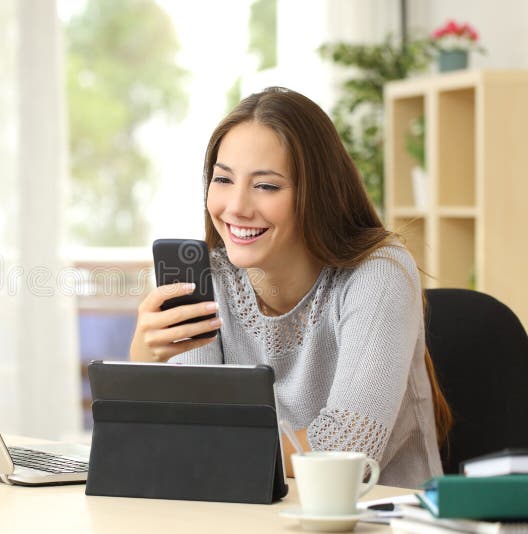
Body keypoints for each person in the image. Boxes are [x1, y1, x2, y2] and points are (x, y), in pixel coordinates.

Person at [129, 87, 450, 489]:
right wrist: (143, 362)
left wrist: (213, 445)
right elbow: (194, 423)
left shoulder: (378, 273)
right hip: (250, 511)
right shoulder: (212, 276)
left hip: (375, 511)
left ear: (317, 193)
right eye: (223, 179)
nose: (236, 206)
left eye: (266, 186)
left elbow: (348, 449)